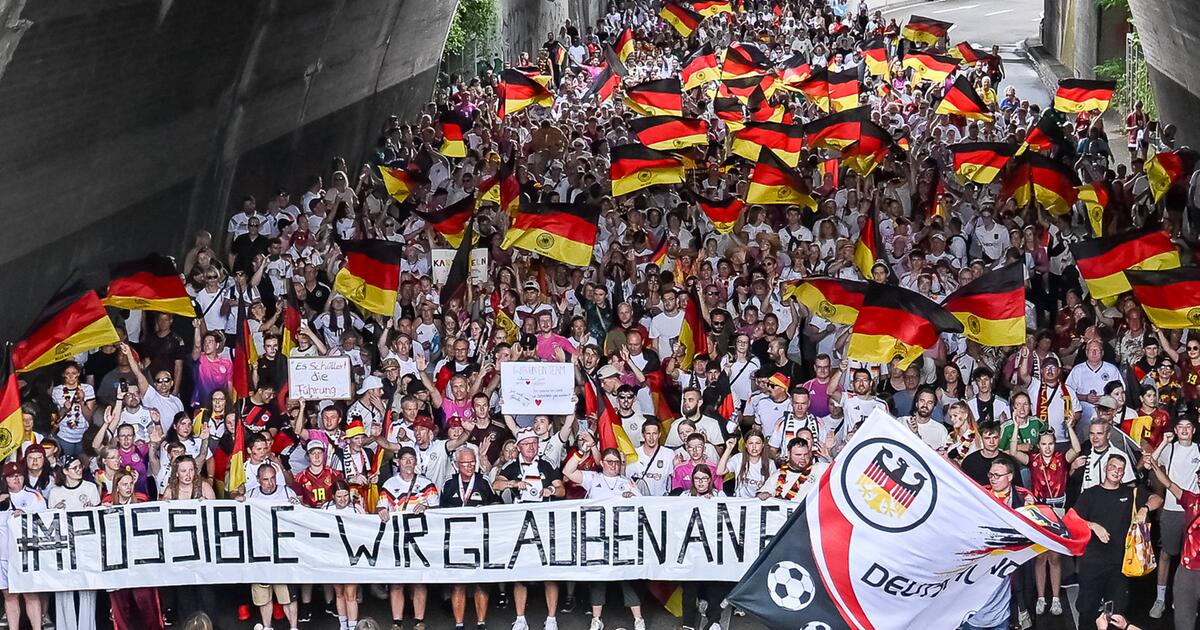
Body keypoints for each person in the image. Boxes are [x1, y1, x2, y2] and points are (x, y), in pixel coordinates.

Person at [1073, 453, 1160, 627]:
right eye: (1113, 467)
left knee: (1116, 615)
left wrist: (1144, 509)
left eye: (1121, 469)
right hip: (1092, 564)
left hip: (1120, 566)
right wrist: (1093, 526)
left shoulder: (1131, 493)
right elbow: (1072, 520)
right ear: (1105, 468)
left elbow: (1157, 498)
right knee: (1087, 611)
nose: (1116, 472)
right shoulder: (1090, 494)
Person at [561, 448, 643, 630]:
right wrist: (581, 451)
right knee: (599, 579)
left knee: (626, 579)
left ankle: (638, 619)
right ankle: (596, 619)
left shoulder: (628, 483)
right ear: (602, 463)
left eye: (617, 462)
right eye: (609, 461)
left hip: (621, 541)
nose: (613, 465)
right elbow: (568, 472)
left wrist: (633, 497)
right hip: (598, 540)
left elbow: (642, 507)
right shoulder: (593, 478)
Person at [493, 429, 564, 630]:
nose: (531, 447)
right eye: (526, 443)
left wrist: (550, 490)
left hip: (544, 522)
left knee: (549, 572)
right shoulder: (511, 466)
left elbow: (561, 489)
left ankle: (551, 618)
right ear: (519, 447)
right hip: (520, 525)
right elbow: (496, 484)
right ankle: (521, 618)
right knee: (520, 571)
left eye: (534, 443)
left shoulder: (546, 465)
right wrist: (515, 483)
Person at [377, 446, 438, 630]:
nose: (408, 462)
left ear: (416, 462)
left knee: (419, 581)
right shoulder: (388, 484)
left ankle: (419, 621)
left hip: (420, 540)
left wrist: (427, 508)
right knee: (397, 582)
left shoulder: (427, 484)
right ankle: (397, 622)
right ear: (398, 462)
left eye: (412, 459)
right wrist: (381, 511)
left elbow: (439, 511)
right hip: (397, 540)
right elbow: (381, 507)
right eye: (405, 459)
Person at [440, 447, 499, 630]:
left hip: (479, 539)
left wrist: (485, 508)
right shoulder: (449, 484)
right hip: (457, 540)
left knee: (481, 583)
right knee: (459, 584)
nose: (470, 466)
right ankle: (459, 624)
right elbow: (439, 511)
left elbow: (496, 504)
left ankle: (481, 623)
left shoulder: (483, 482)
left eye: (473, 462)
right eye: (465, 463)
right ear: (457, 464)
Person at [240, 463, 301, 630]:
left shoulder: (288, 492)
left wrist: (298, 506)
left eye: (272, 478)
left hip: (283, 552)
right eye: (265, 480)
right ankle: (267, 627)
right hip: (261, 552)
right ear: (258, 480)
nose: (270, 483)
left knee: (288, 595)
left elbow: (302, 517)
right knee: (263, 594)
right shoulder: (251, 495)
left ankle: (293, 627)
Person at [325, 480, 364, 630]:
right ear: (333, 496)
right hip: (334, 556)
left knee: (350, 594)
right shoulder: (326, 508)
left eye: (346, 496)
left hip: (351, 556)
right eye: (339, 496)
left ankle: (353, 627)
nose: (343, 500)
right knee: (339, 593)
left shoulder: (357, 508)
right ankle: (343, 625)